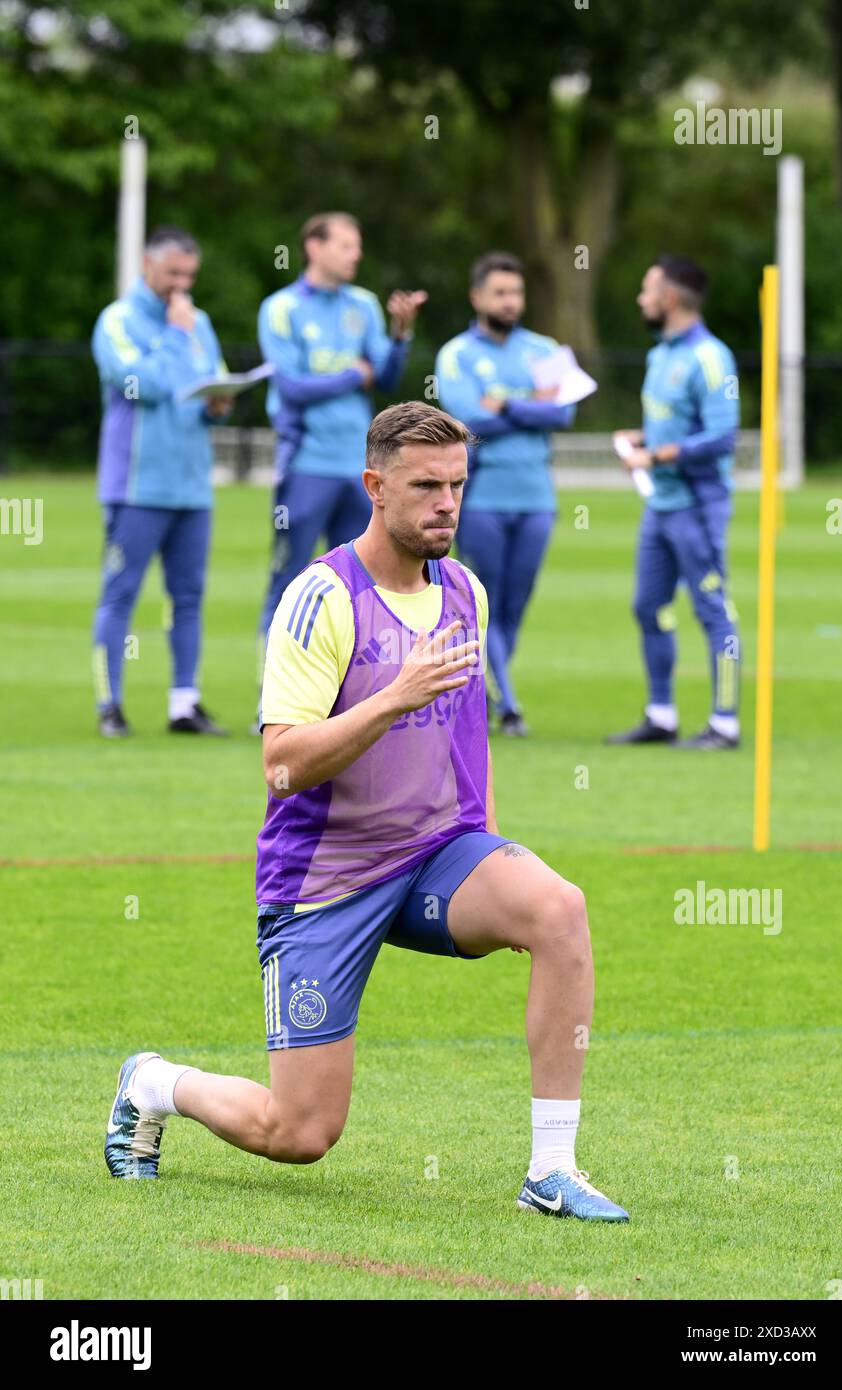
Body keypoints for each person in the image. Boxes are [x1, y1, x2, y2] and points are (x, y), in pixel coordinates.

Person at [104, 401, 628, 1224]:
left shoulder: (465, 592)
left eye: (457, 484)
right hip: (325, 879)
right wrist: (394, 696)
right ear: (374, 487)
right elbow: (282, 764)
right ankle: (154, 1084)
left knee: (559, 908)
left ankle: (551, 1172)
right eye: (426, 486)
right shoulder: (322, 598)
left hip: (434, 856)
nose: (447, 503)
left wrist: (488, 848)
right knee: (301, 1133)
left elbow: (463, 744)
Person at [256, 211, 427, 669]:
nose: (357, 253)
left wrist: (401, 333)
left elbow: (387, 378)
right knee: (289, 580)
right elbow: (292, 387)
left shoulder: (364, 305)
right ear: (314, 247)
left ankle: (356, 689)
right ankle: (271, 695)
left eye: (358, 245)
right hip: (305, 464)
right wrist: (353, 373)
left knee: (365, 580)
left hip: (361, 469)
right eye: (346, 244)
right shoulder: (281, 308)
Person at [91, 225, 231, 738]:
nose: (181, 284)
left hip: (192, 484)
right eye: (173, 273)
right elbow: (142, 386)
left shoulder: (200, 322)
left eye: (189, 275)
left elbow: (205, 385)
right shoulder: (118, 320)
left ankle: (183, 703)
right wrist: (176, 333)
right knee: (120, 593)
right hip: (136, 487)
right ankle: (110, 703)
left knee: (188, 596)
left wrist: (219, 405)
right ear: (147, 265)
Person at [435, 252, 575, 736]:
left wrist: (509, 404)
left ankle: (488, 689)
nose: (510, 302)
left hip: (536, 494)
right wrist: (531, 407)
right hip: (485, 496)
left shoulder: (545, 348)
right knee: (483, 600)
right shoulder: (456, 354)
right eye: (500, 293)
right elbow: (471, 420)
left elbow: (564, 414)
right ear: (477, 297)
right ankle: (508, 704)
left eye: (516, 293)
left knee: (515, 604)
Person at [607, 254, 741, 749]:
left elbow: (723, 436)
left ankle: (724, 723)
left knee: (713, 610)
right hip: (659, 506)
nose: (640, 300)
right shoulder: (659, 354)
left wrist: (655, 455)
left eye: (646, 291)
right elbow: (677, 424)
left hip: (698, 505)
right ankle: (661, 715)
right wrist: (641, 439)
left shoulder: (711, 357)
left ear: (668, 298)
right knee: (649, 607)